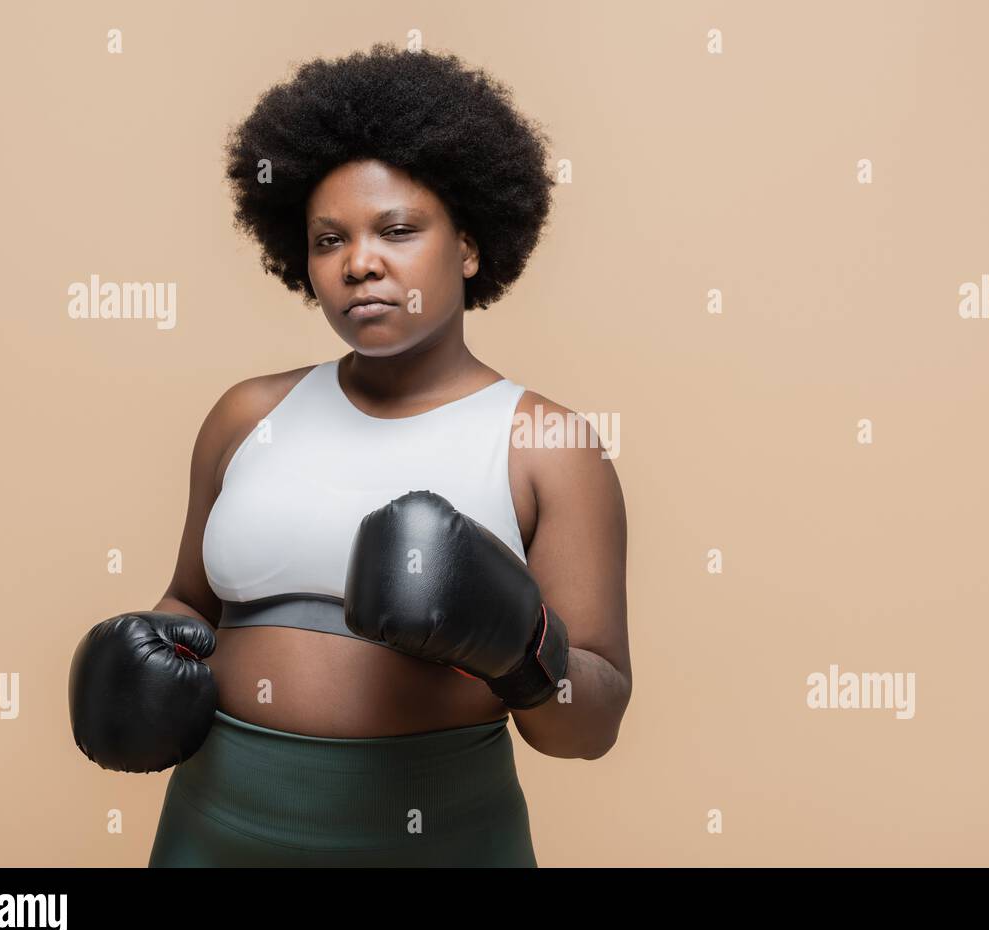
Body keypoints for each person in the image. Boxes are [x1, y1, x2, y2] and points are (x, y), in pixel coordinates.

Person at [67, 43, 631, 867]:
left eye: (397, 230)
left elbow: (595, 721)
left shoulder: (547, 445)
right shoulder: (247, 413)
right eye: (329, 239)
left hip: (438, 833)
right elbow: (190, 600)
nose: (359, 261)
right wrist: (143, 659)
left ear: (469, 247)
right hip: (215, 821)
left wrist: (519, 645)